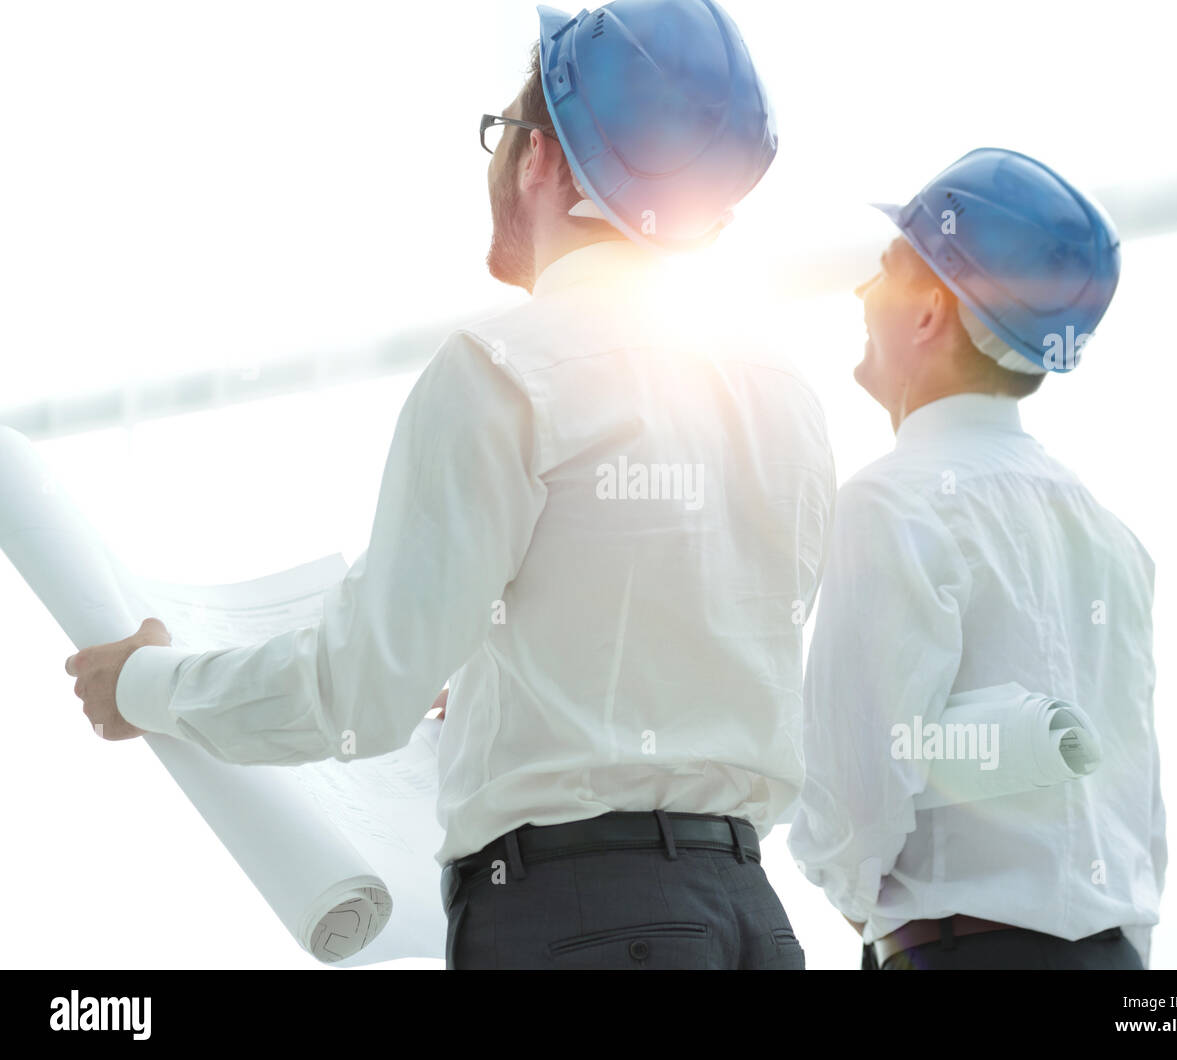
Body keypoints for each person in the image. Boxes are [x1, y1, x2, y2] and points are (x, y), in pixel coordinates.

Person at [66, 0, 835, 970]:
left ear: (545, 161)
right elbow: (671, 639)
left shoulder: (505, 368)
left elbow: (358, 691)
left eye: (506, 132)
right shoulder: (785, 400)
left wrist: (145, 686)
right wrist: (496, 689)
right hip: (750, 921)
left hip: (578, 921)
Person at [787, 148, 1166, 970]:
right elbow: (1137, 802)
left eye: (885, 269)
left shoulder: (891, 503)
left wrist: (867, 912)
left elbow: (854, 795)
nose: (860, 292)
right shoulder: (1108, 533)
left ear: (928, 311)